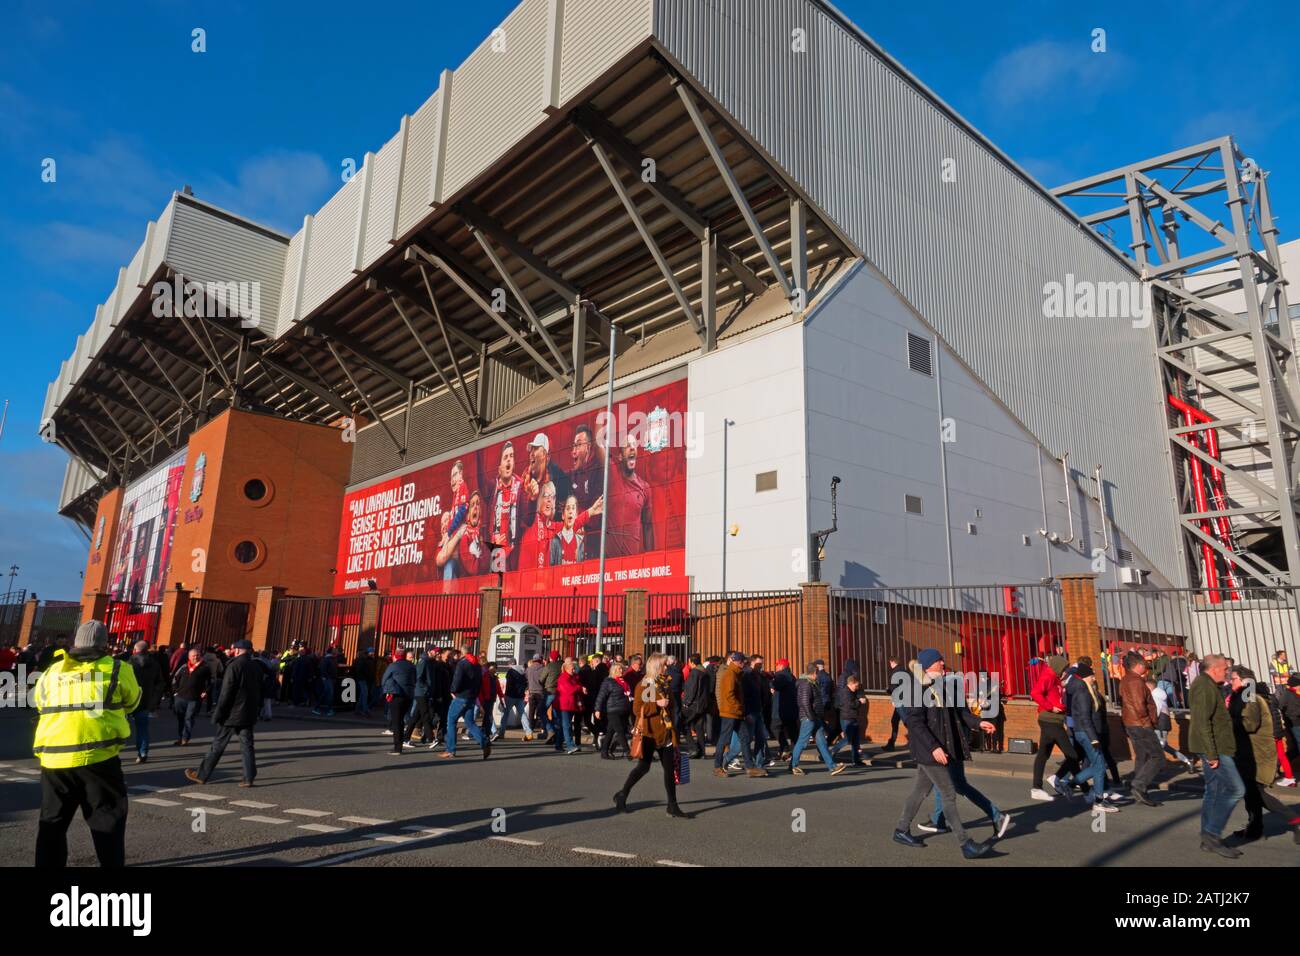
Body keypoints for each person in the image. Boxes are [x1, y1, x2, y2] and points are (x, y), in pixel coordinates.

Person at [32, 621, 142, 868]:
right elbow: (133, 701)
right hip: (98, 758)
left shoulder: (53, 671)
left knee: (52, 824)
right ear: (104, 644)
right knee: (107, 823)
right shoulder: (116, 668)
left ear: (76, 642)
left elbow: (39, 703)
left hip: (54, 757)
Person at [892, 649, 997, 859]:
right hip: (930, 751)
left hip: (941, 748)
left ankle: (901, 830)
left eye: (942, 659)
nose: (943, 662)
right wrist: (934, 747)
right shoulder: (916, 688)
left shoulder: (943, 686)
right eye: (938, 660)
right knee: (949, 794)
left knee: (919, 791)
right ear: (929, 665)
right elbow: (914, 723)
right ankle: (965, 843)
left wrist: (978, 723)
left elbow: (958, 713)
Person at [1227, 666, 1300, 844]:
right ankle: (1254, 828)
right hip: (1248, 751)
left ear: (1245, 680)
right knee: (1251, 793)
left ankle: (1295, 820)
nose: (1231, 681)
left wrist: (1227, 723)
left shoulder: (1249, 694)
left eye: (1234, 678)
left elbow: (1250, 723)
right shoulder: (1247, 693)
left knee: (1255, 792)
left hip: (1255, 753)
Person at [612, 652, 690, 818]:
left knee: (669, 769)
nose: (667, 667)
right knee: (643, 767)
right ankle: (622, 794)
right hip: (649, 732)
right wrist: (657, 703)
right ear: (656, 667)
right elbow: (638, 709)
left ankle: (672, 805)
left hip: (665, 732)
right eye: (664, 665)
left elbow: (671, 708)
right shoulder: (648, 684)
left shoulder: (665, 683)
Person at [1189, 653, 1247, 858]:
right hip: (1215, 748)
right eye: (1225, 669)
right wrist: (1212, 755)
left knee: (1212, 790)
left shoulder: (1209, 685)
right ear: (1214, 669)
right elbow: (1202, 722)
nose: (1227, 672)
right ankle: (1213, 834)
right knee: (1236, 789)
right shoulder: (1203, 687)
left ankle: (1207, 837)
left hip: (1215, 746)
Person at [185, 639, 262, 787]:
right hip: (248, 712)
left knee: (218, 744)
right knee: (247, 745)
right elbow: (259, 689)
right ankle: (249, 777)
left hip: (232, 713)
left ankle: (201, 775)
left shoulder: (234, 665)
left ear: (238, 650)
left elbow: (227, 692)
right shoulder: (255, 666)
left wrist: (219, 712)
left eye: (234, 649)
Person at [1064, 663, 1120, 813]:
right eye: (1092, 675)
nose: (1094, 678)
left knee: (1097, 766)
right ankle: (1099, 801)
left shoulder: (1084, 690)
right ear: (1086, 677)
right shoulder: (1083, 692)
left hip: (1084, 732)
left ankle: (1070, 785)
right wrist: (1093, 738)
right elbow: (1085, 717)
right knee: (1100, 766)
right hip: (1086, 733)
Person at [1028, 654, 1079, 802]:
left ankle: (1037, 787)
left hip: (1053, 720)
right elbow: (1035, 693)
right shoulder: (1048, 676)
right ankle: (1083, 789)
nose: (1065, 672)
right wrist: (1051, 707)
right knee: (1072, 755)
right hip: (1050, 720)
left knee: (1043, 755)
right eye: (1064, 669)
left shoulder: (1055, 677)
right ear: (1057, 667)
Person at [1119, 651, 1164, 806]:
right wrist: (1147, 723)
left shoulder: (1126, 680)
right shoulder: (1136, 681)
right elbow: (1139, 706)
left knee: (1142, 755)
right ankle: (1139, 785)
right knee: (1157, 756)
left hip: (1132, 723)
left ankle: (1140, 788)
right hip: (1140, 724)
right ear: (1138, 665)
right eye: (1144, 664)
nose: (1146, 667)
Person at [714, 652, 765, 777]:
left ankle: (750, 767)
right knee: (724, 739)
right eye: (741, 661)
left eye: (744, 661)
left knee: (745, 737)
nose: (744, 663)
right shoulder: (730, 674)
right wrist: (739, 707)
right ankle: (717, 767)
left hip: (736, 713)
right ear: (735, 661)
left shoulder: (737, 674)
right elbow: (729, 695)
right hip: (730, 712)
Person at [790, 663, 845, 776]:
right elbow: (805, 703)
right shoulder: (806, 684)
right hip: (809, 718)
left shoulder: (812, 683)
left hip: (815, 717)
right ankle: (793, 766)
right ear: (814, 673)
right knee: (802, 741)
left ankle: (832, 766)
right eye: (817, 673)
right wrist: (811, 717)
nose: (818, 675)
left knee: (822, 742)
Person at [443, 645, 491, 759]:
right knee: (470, 722)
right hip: (472, 697)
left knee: (451, 721)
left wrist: (452, 690)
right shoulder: (477, 665)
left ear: (463, 653)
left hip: (461, 696)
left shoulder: (462, 664)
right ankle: (484, 742)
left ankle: (451, 749)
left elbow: (457, 680)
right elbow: (480, 682)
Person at [1148, 676, 1196, 774]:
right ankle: (1186, 760)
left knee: (1160, 746)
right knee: (1164, 746)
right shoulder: (1158, 695)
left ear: (1149, 687)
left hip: (1161, 724)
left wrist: (1151, 721)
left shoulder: (1155, 696)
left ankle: (1158, 765)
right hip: (1161, 723)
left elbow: (1156, 711)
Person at [128, 640, 163, 764]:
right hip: (146, 700)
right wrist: (154, 701)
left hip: (129, 699)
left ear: (135, 650)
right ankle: (142, 752)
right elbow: (159, 684)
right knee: (142, 728)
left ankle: (114, 753)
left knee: (119, 728)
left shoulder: (129, 663)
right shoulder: (154, 664)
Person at [172, 647, 211, 746]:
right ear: (189, 657)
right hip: (180, 697)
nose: (196, 657)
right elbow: (175, 679)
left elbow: (210, 682)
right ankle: (180, 737)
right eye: (193, 656)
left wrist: (205, 691)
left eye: (197, 655)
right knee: (180, 718)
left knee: (189, 718)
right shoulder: (184, 667)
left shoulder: (205, 668)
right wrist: (175, 692)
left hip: (194, 698)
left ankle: (185, 738)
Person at [594, 661, 634, 759]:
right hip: (613, 710)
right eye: (619, 669)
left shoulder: (624, 682)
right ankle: (628, 751)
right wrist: (597, 709)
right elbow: (601, 696)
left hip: (624, 710)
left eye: (622, 669)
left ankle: (604, 751)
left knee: (610, 732)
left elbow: (628, 695)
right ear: (614, 671)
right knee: (620, 731)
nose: (621, 671)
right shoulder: (608, 682)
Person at [382, 649, 416, 755]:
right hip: (409, 695)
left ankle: (398, 748)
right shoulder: (411, 666)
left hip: (397, 695)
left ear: (395, 656)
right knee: (402, 720)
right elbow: (415, 679)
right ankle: (402, 742)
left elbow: (384, 679)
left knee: (396, 722)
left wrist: (386, 689)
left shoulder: (393, 666)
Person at [405, 647, 439, 747]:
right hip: (421, 692)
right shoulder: (423, 661)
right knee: (425, 715)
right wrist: (426, 688)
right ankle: (431, 738)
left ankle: (405, 738)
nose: (437, 654)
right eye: (435, 652)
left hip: (425, 693)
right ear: (429, 652)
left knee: (415, 716)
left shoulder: (430, 662)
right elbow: (418, 677)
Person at [831, 670, 867, 766]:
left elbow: (854, 700)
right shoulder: (845, 692)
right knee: (847, 739)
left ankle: (856, 760)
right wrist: (859, 702)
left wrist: (858, 699)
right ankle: (832, 751)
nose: (857, 687)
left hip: (853, 717)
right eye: (856, 685)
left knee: (856, 740)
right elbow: (850, 704)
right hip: (847, 718)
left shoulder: (852, 691)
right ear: (851, 684)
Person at [681, 653, 712, 758]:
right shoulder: (705, 672)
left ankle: (693, 748)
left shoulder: (694, 672)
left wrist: (686, 702)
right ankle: (702, 752)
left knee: (683, 725)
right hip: (702, 705)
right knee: (699, 728)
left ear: (692, 662)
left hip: (693, 705)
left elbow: (691, 689)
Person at [770, 659, 799, 761]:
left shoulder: (781, 675)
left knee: (775, 727)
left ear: (782, 666)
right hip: (792, 709)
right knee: (792, 731)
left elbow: (775, 685)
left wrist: (771, 682)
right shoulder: (791, 676)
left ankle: (785, 747)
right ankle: (792, 752)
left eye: (777, 665)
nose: (776, 667)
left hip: (781, 709)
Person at [496, 658, 530, 741]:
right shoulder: (523, 672)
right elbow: (526, 683)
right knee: (522, 714)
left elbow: (509, 685)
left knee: (505, 714)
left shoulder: (510, 672)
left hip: (510, 696)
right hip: (520, 696)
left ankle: (501, 732)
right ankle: (529, 732)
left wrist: (506, 694)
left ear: (511, 664)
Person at [557, 657, 586, 754]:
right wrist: (580, 688)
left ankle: (558, 744)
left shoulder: (573, 677)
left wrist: (581, 688)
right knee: (566, 725)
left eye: (574, 668)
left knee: (564, 725)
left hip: (572, 704)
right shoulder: (563, 678)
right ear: (566, 669)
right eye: (572, 669)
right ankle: (570, 746)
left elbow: (576, 686)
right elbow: (569, 690)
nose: (574, 670)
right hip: (564, 704)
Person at [883, 656, 907, 750]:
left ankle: (918, 741)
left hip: (900, 700)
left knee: (907, 722)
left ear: (892, 662)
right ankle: (891, 744)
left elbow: (894, 687)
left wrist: (888, 690)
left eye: (890, 663)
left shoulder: (895, 672)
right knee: (895, 720)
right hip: (904, 699)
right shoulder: (904, 670)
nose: (890, 665)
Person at [542, 650, 563, 745]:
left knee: (541, 711)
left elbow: (541, 679)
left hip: (550, 691)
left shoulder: (549, 666)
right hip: (560, 692)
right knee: (556, 714)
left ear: (551, 658)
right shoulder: (562, 665)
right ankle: (557, 735)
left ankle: (550, 730)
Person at [524, 654, 547, 741]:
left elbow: (526, 678)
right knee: (540, 711)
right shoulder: (543, 669)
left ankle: (531, 728)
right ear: (540, 660)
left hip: (531, 692)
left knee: (531, 711)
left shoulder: (528, 669)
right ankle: (542, 728)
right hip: (540, 692)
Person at [352, 647, 376, 717]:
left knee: (363, 694)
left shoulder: (364, 660)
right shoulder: (364, 660)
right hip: (363, 679)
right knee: (365, 694)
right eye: (372, 652)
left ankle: (358, 709)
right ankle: (365, 710)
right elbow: (363, 670)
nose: (373, 653)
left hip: (363, 679)